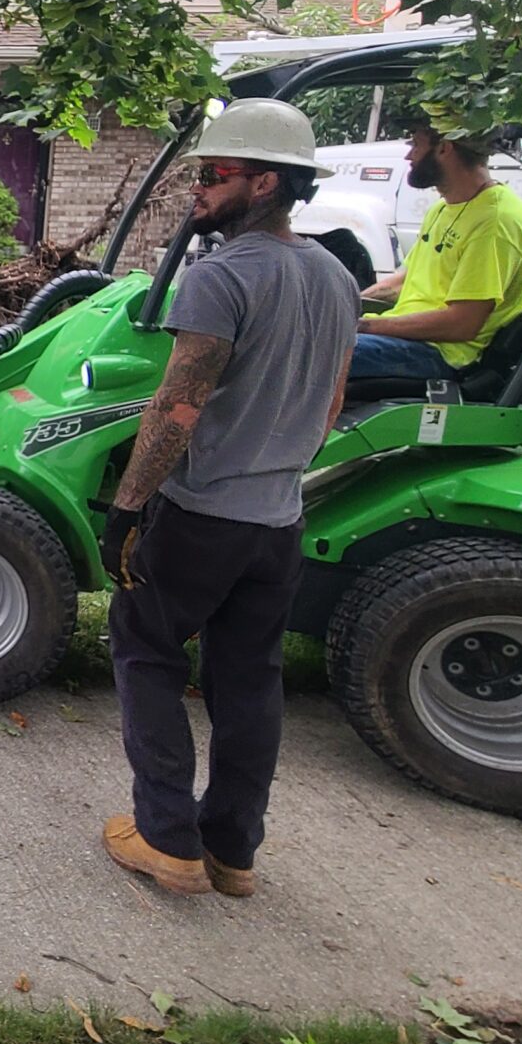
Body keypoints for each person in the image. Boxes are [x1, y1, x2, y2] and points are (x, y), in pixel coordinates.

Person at [99, 100, 358, 900]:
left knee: (146, 650)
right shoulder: (336, 276)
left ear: (266, 182)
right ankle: (232, 851)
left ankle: (166, 838)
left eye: (214, 175)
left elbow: (180, 405)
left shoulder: (222, 276)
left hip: (202, 518)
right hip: (278, 521)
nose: (199, 190)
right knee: (249, 683)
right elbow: (331, 401)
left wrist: (127, 509)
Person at [348, 122, 522, 384]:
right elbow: (403, 281)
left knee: (311, 351)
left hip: (441, 352)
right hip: (404, 339)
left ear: (444, 148)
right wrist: (345, 307)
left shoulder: (495, 223)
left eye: (416, 145)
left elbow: (461, 324)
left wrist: (365, 326)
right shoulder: (443, 209)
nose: (409, 156)